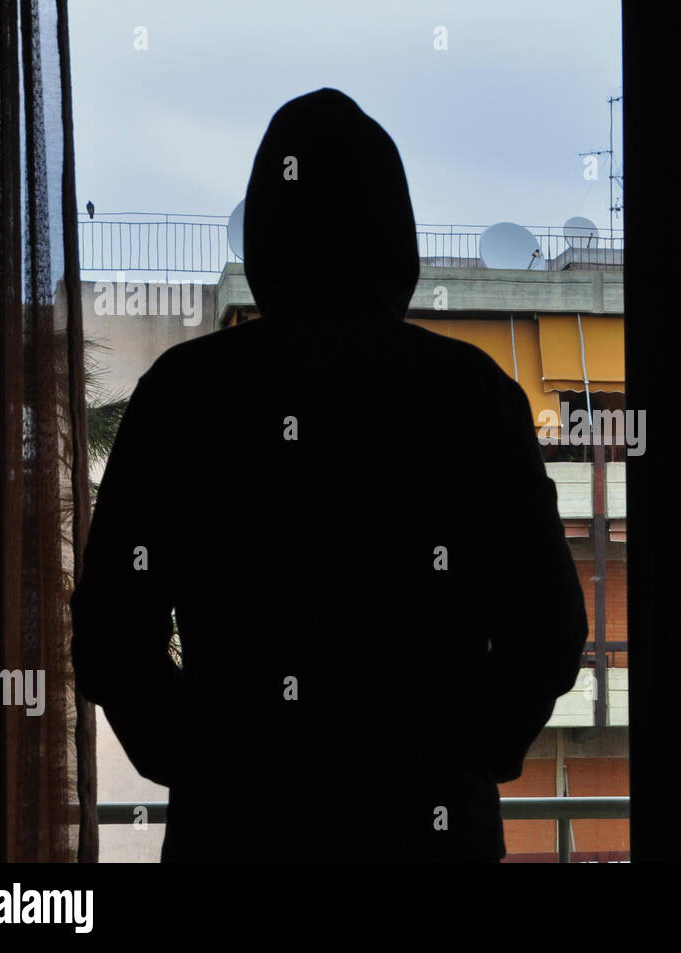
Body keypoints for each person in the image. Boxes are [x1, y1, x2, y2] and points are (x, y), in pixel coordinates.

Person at [70, 88, 588, 861]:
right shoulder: (472, 396)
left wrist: (203, 764)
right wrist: (462, 757)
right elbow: (549, 632)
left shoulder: (186, 395)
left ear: (269, 238)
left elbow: (110, 632)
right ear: (395, 235)